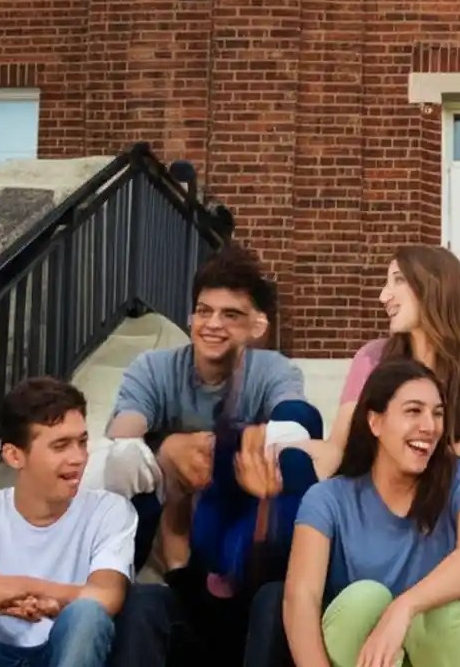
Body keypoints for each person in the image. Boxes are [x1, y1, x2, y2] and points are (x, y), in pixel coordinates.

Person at [102, 244, 321, 665]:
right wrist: (167, 449)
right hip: (168, 533)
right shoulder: (154, 369)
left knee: (290, 461)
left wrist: (225, 451)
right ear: (190, 317)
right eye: (204, 311)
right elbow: (120, 448)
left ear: (258, 325)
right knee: (143, 601)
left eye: (231, 315)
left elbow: (296, 431)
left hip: (244, 541)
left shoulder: (273, 371)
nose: (213, 324)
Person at [283, 358, 460, 667]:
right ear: (375, 422)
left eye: (437, 413)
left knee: (442, 614)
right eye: (413, 411)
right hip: (363, 655)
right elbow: (300, 599)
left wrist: (404, 608)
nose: (429, 426)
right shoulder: (327, 498)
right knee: (362, 600)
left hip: (447, 653)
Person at [0, 377, 170, 667]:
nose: (78, 458)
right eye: (61, 446)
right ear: (14, 456)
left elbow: (106, 594)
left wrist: (19, 587)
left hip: (62, 654)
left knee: (86, 614)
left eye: (82, 442)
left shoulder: (109, 511)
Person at [330, 246, 460, 572]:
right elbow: (340, 446)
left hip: (447, 485)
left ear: (434, 286)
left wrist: (416, 453)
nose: (384, 296)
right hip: (380, 483)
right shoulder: (372, 358)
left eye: (397, 280)